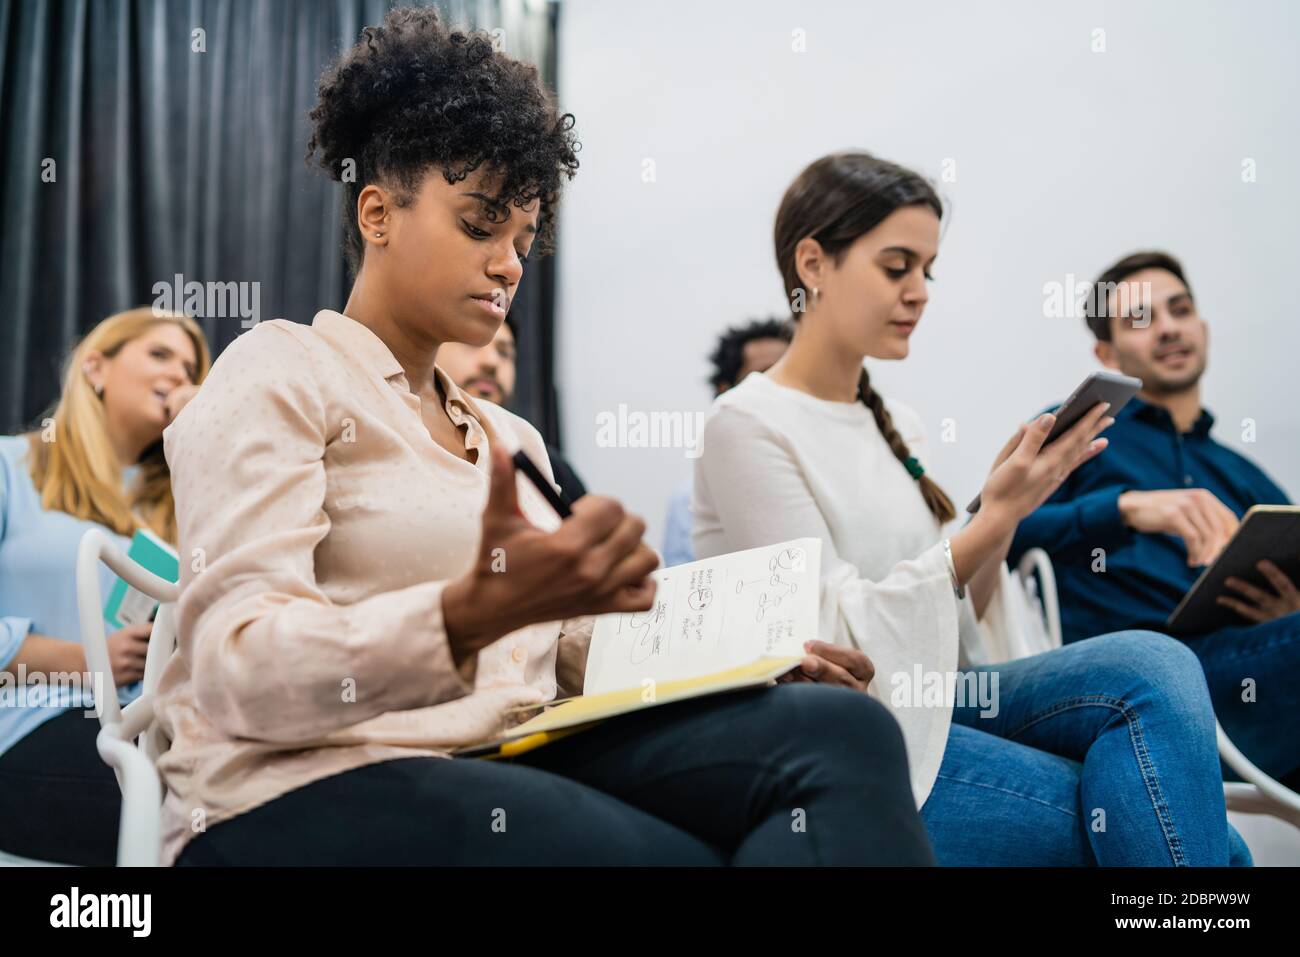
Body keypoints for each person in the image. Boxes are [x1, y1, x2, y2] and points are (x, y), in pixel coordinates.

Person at [157, 8, 932, 867]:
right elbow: (236, 669)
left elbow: (573, 646)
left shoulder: (507, 438)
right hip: (303, 781)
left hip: (510, 753)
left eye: (524, 237)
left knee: (840, 732)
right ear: (377, 212)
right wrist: (460, 617)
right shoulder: (279, 370)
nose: (510, 262)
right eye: (480, 224)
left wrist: (757, 661)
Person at [694, 151, 1251, 865]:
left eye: (928, 270)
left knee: (1156, 662)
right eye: (897, 267)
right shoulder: (746, 425)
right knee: (1215, 845)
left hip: (943, 693)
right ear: (813, 265)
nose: (920, 291)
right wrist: (990, 521)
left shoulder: (899, 422)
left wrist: (1007, 516)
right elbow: (829, 641)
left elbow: (955, 628)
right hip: (857, 725)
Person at [1009, 251, 1299, 789]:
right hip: (1137, 690)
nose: (1167, 329)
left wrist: (1289, 612)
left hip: (1264, 684)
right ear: (1106, 352)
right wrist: (1124, 509)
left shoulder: (1244, 477)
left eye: (1180, 310)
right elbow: (996, 533)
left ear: (1202, 328)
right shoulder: (1077, 433)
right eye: (1140, 319)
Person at [0, 307, 207, 865]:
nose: (178, 378)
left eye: (191, 371)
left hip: (153, 726)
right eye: (160, 355)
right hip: (26, 724)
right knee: (191, 816)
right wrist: (86, 659)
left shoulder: (178, 510)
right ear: (95, 367)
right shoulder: (10, 469)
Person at [662, 318, 790, 566]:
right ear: (725, 391)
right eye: (763, 377)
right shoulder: (686, 502)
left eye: (787, 375)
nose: (779, 389)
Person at [440, 314, 586, 503]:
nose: (491, 362)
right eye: (474, 343)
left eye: (504, 353)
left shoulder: (547, 463)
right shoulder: (405, 435)